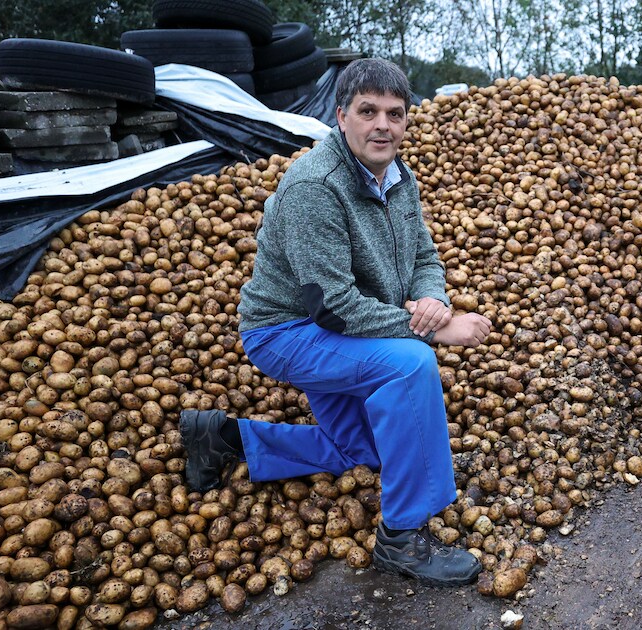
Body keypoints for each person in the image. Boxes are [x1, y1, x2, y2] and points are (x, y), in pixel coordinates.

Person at [179, 58, 491, 586]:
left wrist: (432, 299)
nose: (383, 126)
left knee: (365, 448)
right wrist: (435, 329)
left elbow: (424, 257)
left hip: (344, 331)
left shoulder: (399, 178)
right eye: (368, 111)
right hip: (288, 333)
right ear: (341, 115)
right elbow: (333, 307)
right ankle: (402, 537)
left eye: (395, 114)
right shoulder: (315, 186)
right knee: (411, 365)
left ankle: (226, 439)